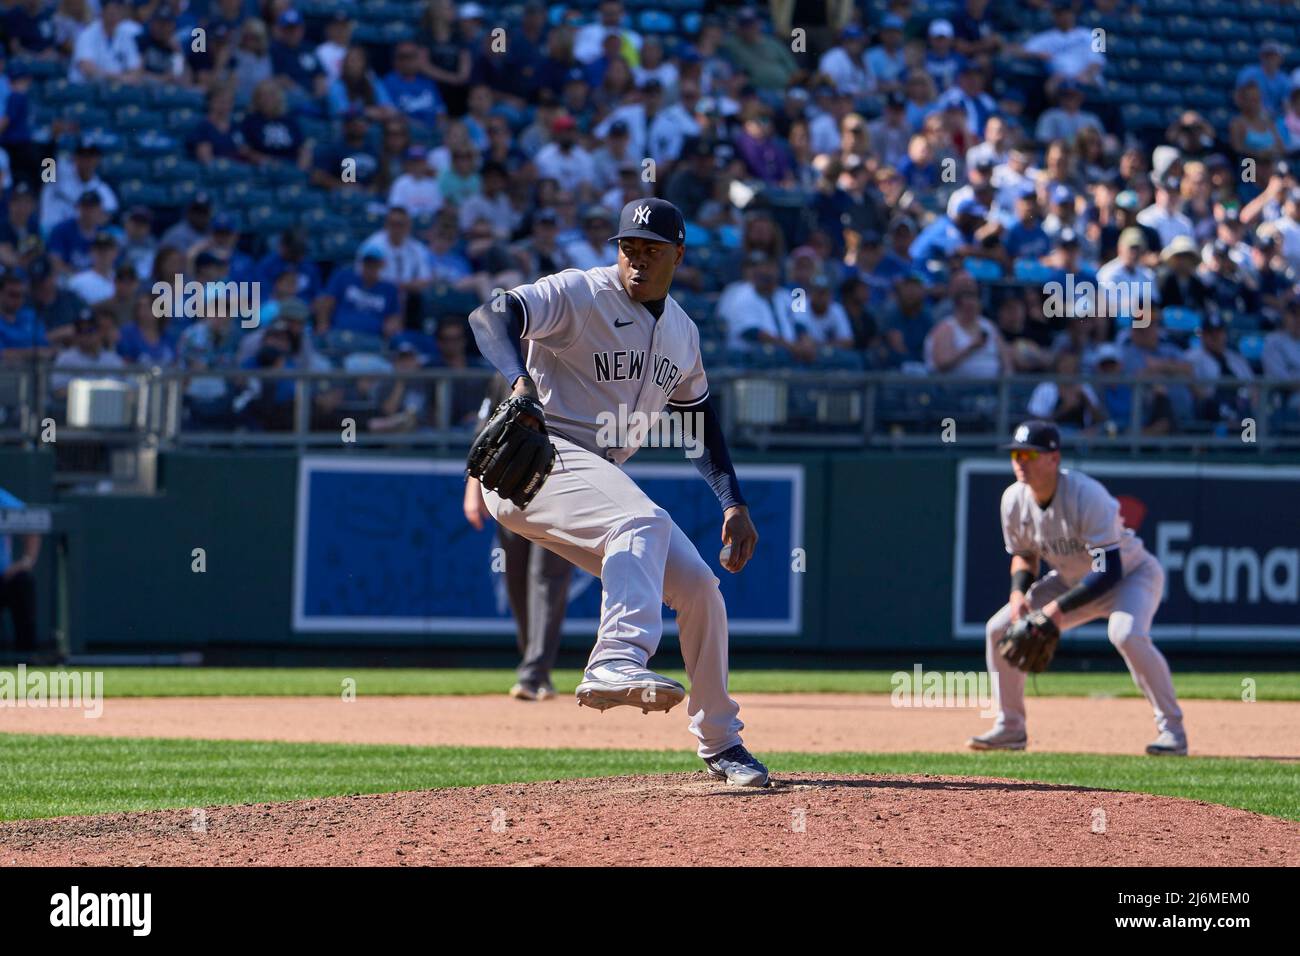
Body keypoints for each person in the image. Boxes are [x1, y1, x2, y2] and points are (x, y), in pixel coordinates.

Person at [466, 197, 769, 787]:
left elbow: (698, 422)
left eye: (652, 250)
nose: (637, 259)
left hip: (594, 476)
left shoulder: (682, 333)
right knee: (640, 521)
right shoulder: (581, 292)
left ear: (678, 255)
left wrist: (732, 501)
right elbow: (490, 314)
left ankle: (721, 741)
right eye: (629, 247)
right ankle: (614, 659)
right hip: (537, 460)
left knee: (700, 589)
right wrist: (520, 380)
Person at [969, 420, 1188, 756]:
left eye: (1030, 454)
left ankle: (1173, 731)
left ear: (1054, 458)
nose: (1020, 461)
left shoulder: (1086, 495)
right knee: (999, 629)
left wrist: (1054, 611)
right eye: (1015, 454)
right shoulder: (1013, 499)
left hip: (1130, 577)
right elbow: (1025, 555)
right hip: (1072, 582)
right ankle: (1011, 727)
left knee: (1126, 634)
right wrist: (1017, 594)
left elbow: (1108, 570)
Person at [465, 376, 575, 701]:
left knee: (547, 577)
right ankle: (534, 665)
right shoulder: (507, 371)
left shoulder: (571, 364)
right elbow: (487, 430)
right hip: (510, 487)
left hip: (559, 488)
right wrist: (473, 487)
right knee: (516, 579)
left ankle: (534, 672)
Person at [0, 484, 41, 659]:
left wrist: (26, 561)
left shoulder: (1, 498)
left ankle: (26, 660)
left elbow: (31, 525)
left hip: (4, 578)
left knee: (24, 582)